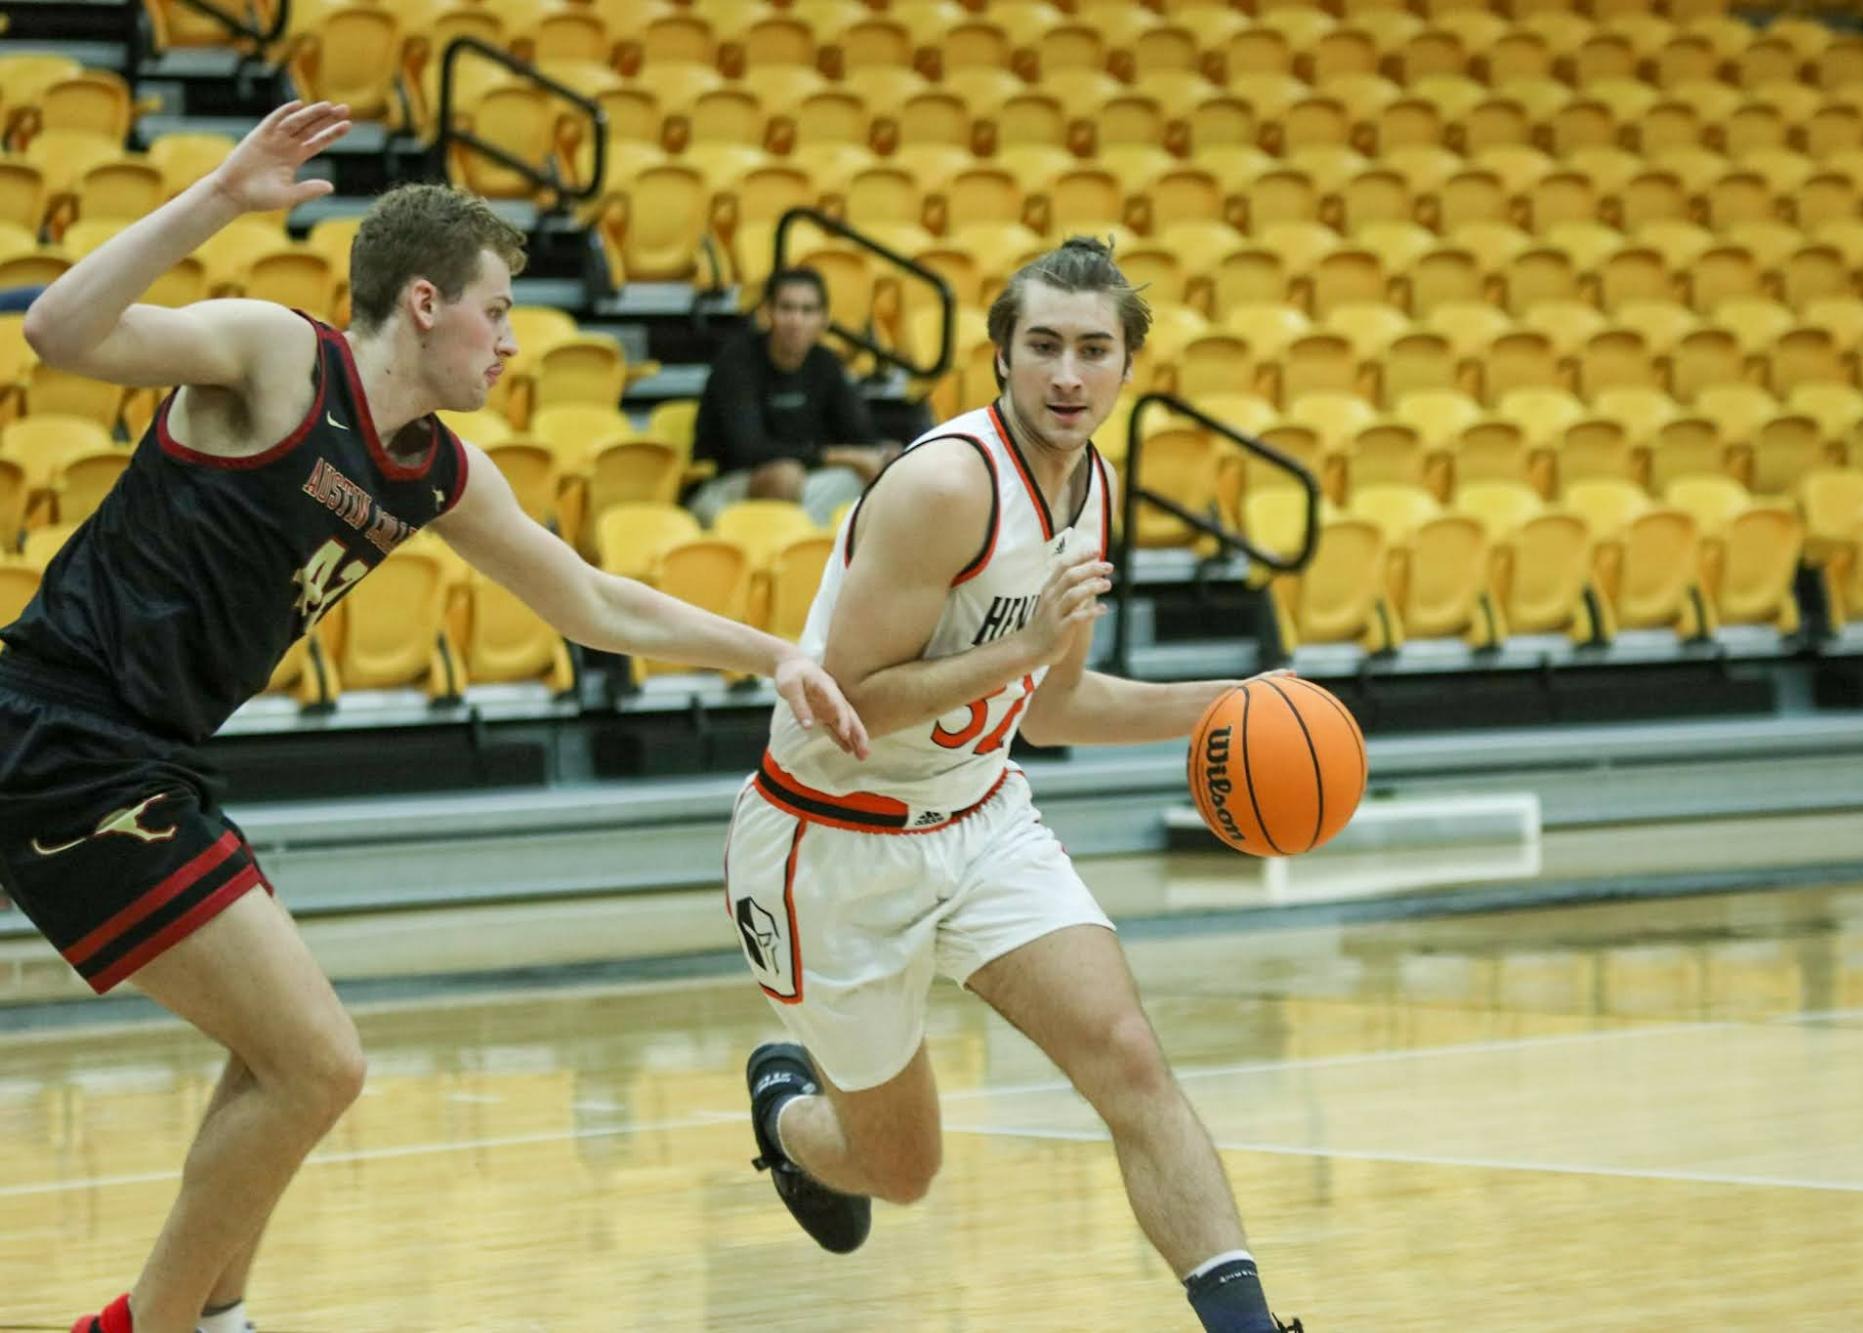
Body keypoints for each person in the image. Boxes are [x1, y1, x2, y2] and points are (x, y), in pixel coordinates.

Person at [2, 101, 866, 1333]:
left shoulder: (439, 469)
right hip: (61, 735)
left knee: (283, 1062)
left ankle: (212, 1315)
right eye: (496, 311)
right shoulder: (277, 357)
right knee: (318, 1062)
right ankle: (150, 1324)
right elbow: (57, 330)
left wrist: (773, 653)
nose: (510, 342)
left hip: (147, 760)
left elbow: (591, 599)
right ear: (422, 301)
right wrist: (221, 199)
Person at [724, 237, 1301, 1332]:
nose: (1067, 375)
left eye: (1093, 350)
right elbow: (847, 702)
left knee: (1128, 1056)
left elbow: (1052, 707)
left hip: (982, 814)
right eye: (1043, 346)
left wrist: (1232, 699)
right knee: (899, 1168)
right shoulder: (944, 486)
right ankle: (787, 1113)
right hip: (831, 840)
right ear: (1000, 354)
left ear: (1127, 364)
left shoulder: (1094, 489)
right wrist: (1022, 646)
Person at [688, 266, 898, 526]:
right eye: (786, 308)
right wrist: (841, 456)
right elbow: (749, 449)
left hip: (806, 476)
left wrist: (881, 452)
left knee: (891, 461)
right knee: (785, 476)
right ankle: (779, 548)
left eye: (807, 311)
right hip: (727, 488)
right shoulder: (737, 362)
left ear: (823, 319)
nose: (796, 321)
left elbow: (859, 433)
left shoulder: (826, 362)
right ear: (767, 313)